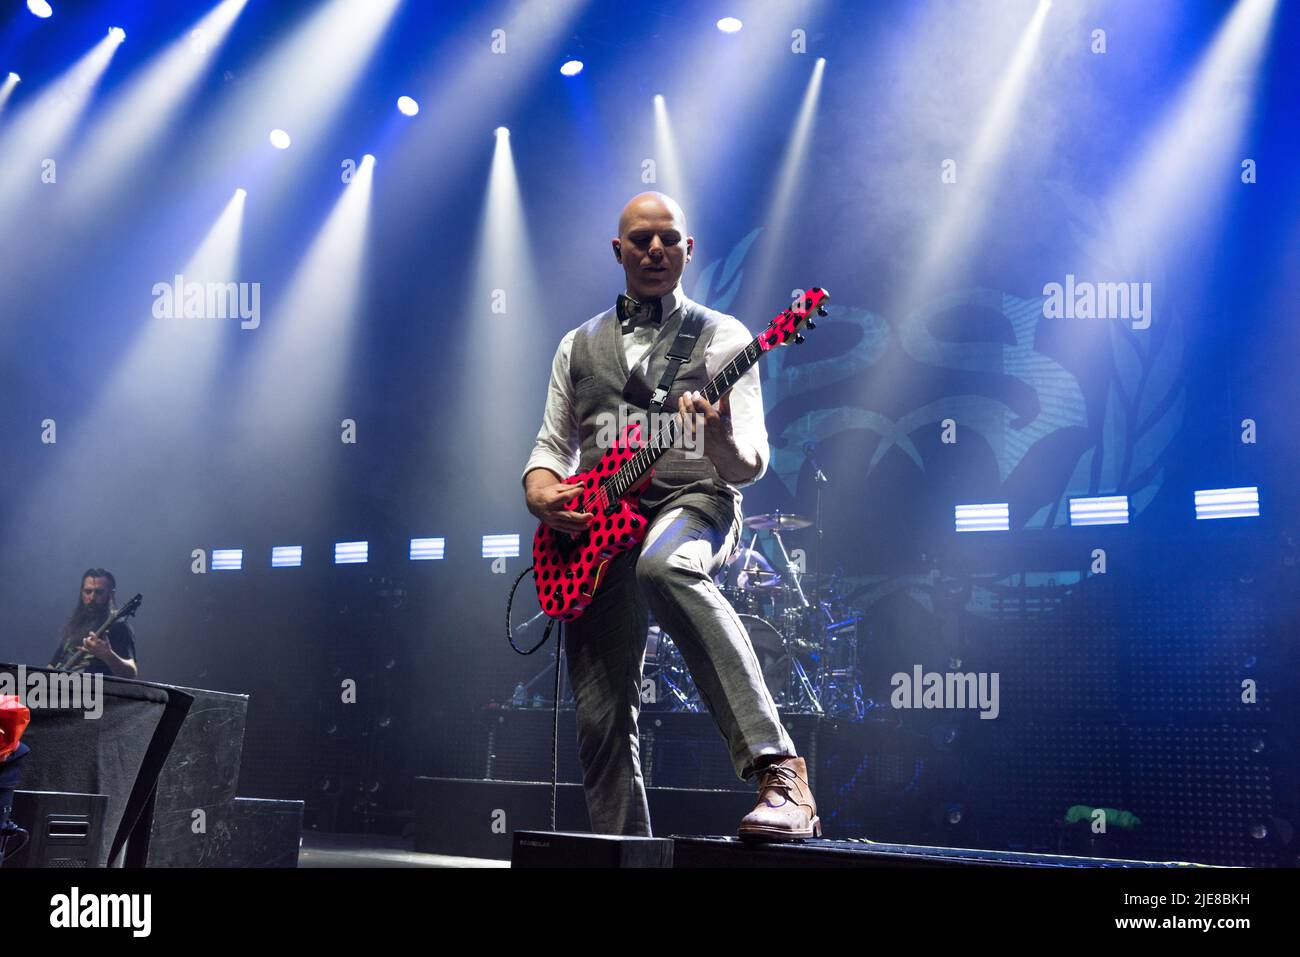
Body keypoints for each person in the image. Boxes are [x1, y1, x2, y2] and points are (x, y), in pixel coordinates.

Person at [522, 191, 818, 840]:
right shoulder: (577, 346)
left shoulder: (726, 337)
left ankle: (780, 772)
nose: (655, 249)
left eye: (668, 238)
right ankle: (625, 852)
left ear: (689, 249)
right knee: (600, 719)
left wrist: (714, 439)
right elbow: (550, 451)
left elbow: (750, 465)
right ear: (617, 250)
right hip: (599, 534)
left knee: (666, 564)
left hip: (695, 501)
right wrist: (542, 492)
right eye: (640, 239)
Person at [49, 569, 138, 679]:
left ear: (111, 594)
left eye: (99, 592)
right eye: (88, 591)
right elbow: (52, 665)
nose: (92, 597)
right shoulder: (75, 625)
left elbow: (131, 674)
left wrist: (107, 655)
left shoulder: (119, 627)